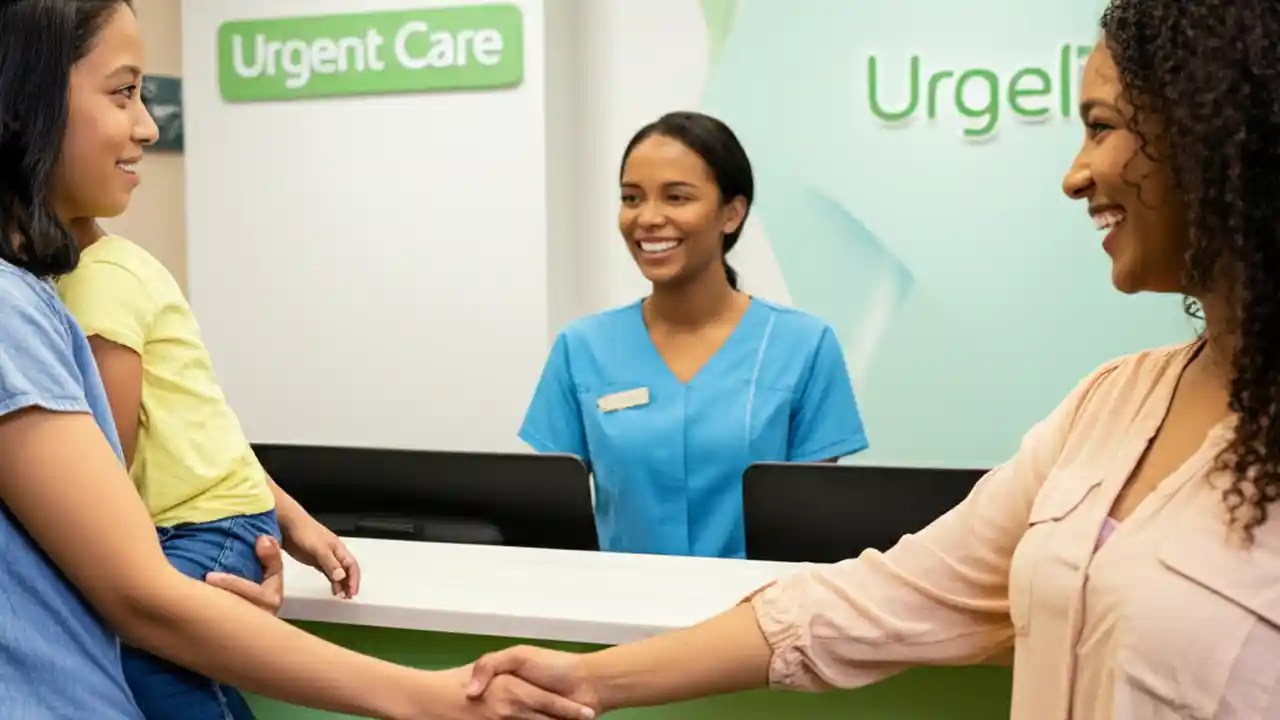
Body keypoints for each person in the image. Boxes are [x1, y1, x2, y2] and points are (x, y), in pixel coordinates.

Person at [466, 1, 1280, 718]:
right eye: (632, 194)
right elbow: (877, 599)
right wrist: (590, 679)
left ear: (1216, 131)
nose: (1074, 175)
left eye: (1101, 126)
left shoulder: (799, 342)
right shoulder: (1109, 406)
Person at [0, 2, 594, 719]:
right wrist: (433, 698)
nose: (149, 126)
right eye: (122, 92)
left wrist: (244, 535)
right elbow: (134, 586)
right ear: (25, 93)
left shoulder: (50, 292)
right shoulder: (19, 309)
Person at [55, 49, 362, 720]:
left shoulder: (96, 284)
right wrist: (291, 515)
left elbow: (105, 465)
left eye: (140, 92)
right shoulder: (106, 272)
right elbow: (202, 426)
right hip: (211, 518)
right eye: (121, 94)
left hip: (197, 529)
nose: (146, 127)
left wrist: (288, 517)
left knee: (150, 656)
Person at [520, 111, 867, 558]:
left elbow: (808, 528)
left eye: (677, 197)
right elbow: (546, 521)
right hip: (616, 616)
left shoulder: (803, 346)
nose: (647, 218)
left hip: (756, 619)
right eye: (631, 198)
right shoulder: (582, 348)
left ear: (731, 213)